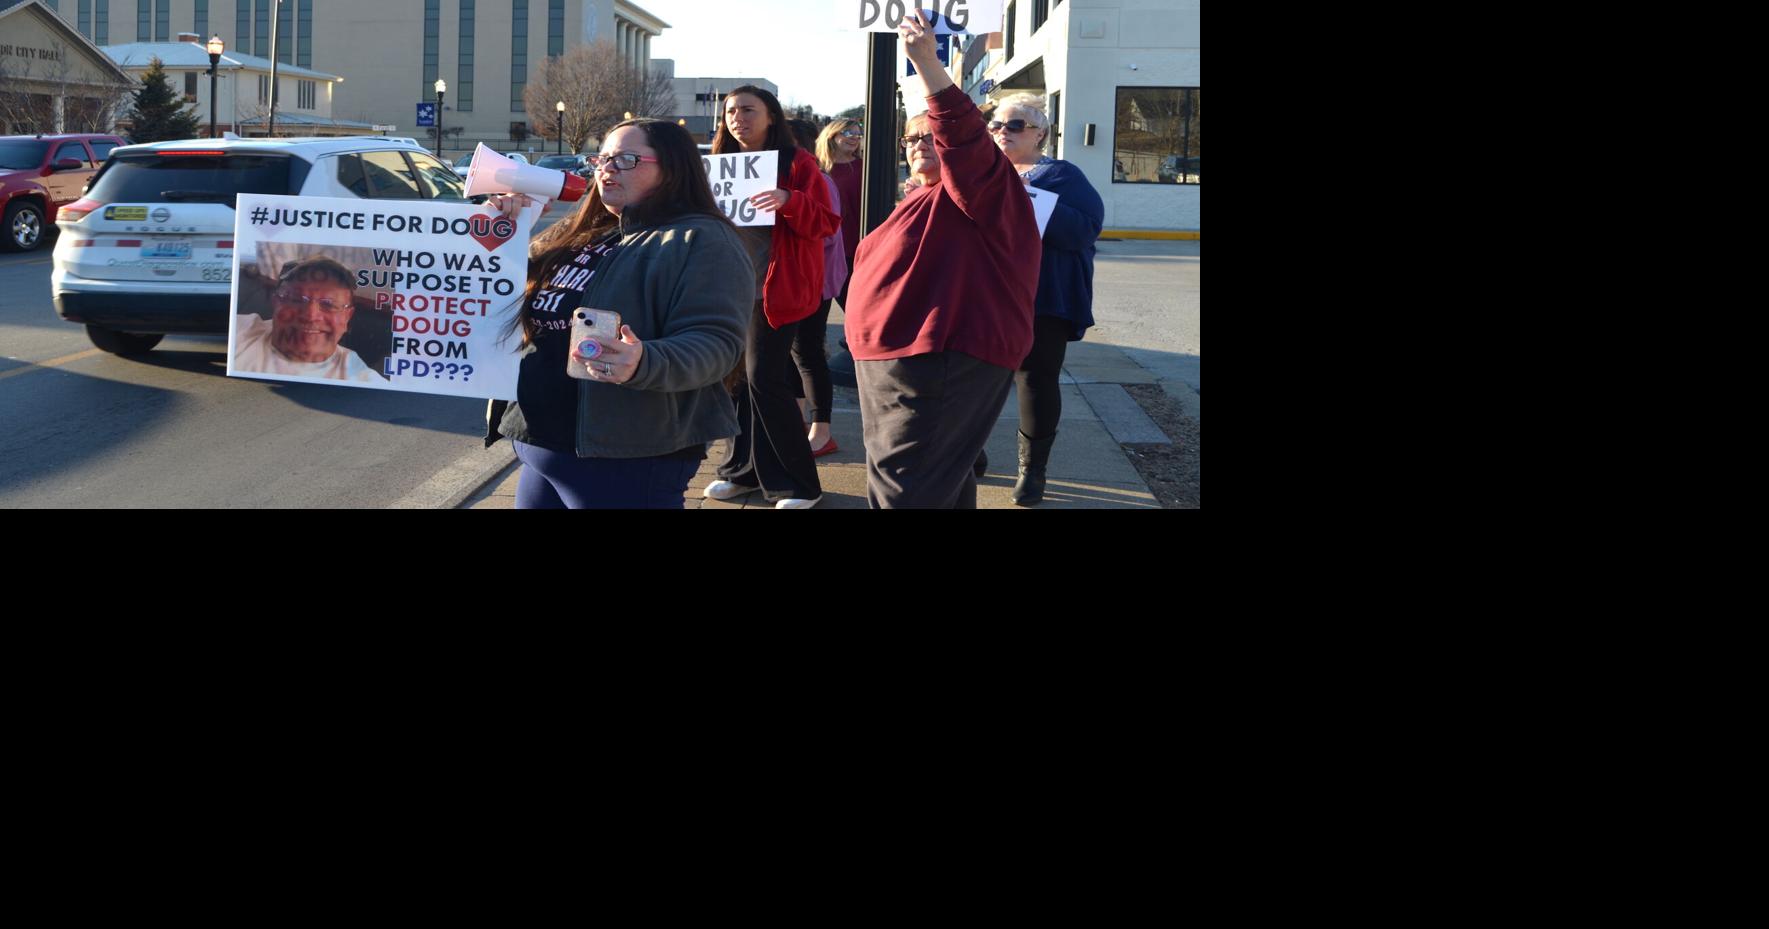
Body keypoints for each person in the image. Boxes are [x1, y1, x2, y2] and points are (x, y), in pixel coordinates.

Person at [481, 117, 753, 509]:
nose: (606, 168)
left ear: (673, 168)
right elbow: (497, 291)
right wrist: (502, 232)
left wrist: (644, 360)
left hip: (627, 459)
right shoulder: (586, 230)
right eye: (603, 158)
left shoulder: (704, 241)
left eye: (625, 159)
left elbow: (717, 343)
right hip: (540, 443)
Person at [843, 11, 1042, 508]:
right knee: (939, 487)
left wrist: (927, 63)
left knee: (906, 492)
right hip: (894, 362)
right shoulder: (917, 199)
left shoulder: (986, 188)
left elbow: (964, 138)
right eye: (910, 138)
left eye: (929, 135)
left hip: (935, 359)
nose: (919, 144)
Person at [701, 86, 840, 509]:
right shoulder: (716, 165)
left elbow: (826, 223)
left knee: (765, 379)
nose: (737, 117)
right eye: (730, 111)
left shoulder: (798, 164)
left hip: (775, 291)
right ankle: (742, 471)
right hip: (729, 290)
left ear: (771, 117)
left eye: (748, 109)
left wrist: (789, 200)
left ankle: (799, 484)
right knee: (736, 382)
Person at [986, 92, 1104, 505]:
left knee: (1034, 381)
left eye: (1015, 125)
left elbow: (1085, 230)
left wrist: (1031, 202)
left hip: (1043, 298)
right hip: (985, 296)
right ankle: (969, 452)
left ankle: (1032, 471)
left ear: (1040, 133)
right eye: (997, 124)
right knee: (975, 378)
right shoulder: (979, 172)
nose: (1003, 131)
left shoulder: (1061, 175)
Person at [788, 117, 847, 458]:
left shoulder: (819, 181)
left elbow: (826, 231)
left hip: (814, 283)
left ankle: (821, 431)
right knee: (790, 356)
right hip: (789, 283)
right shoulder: (790, 180)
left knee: (807, 353)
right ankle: (796, 423)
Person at [233, 257, 386, 382]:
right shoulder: (239, 330)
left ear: (347, 317)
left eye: (329, 304)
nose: (310, 316)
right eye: (296, 299)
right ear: (275, 302)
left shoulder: (363, 381)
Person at [817, 117, 864, 352]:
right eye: (848, 132)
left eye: (858, 133)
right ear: (832, 135)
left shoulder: (865, 167)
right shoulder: (819, 170)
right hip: (831, 248)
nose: (855, 137)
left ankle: (859, 348)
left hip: (859, 247)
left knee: (857, 304)